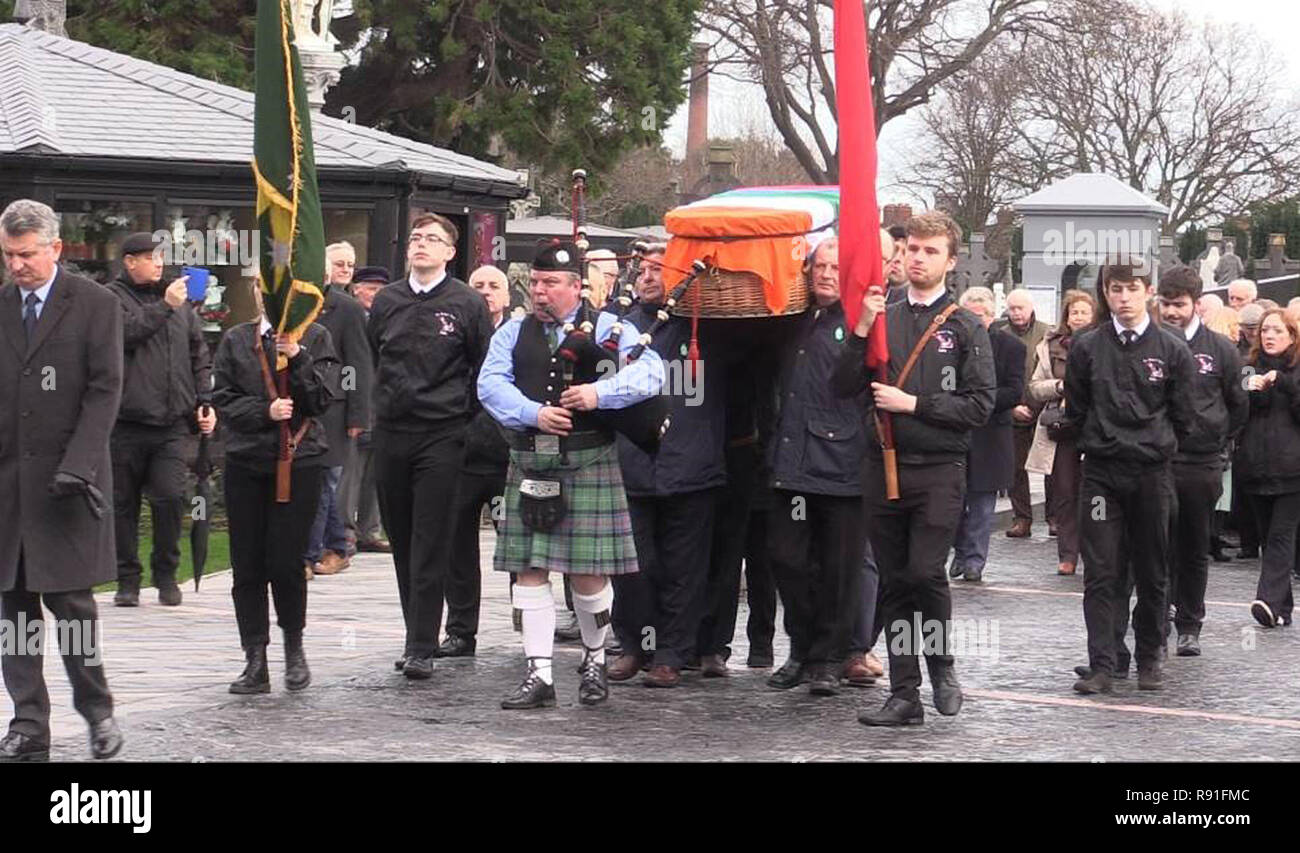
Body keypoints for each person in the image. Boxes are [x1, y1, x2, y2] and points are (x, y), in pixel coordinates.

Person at [478, 241, 665, 708]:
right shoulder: (511, 334)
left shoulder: (609, 327)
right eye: (536, 283)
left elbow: (653, 373)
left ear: (575, 287)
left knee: (587, 573)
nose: (540, 293)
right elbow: (489, 384)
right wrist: (532, 413)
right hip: (529, 460)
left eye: (551, 284)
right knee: (530, 570)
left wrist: (599, 394)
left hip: (587, 460)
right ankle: (539, 673)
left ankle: (595, 659)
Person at [833, 211, 996, 726]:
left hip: (939, 468)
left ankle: (942, 665)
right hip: (882, 465)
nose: (918, 258)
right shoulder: (882, 315)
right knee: (896, 583)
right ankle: (905, 692)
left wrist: (914, 404)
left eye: (931, 251)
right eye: (913, 250)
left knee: (926, 573)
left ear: (950, 261)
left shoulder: (967, 326)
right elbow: (841, 387)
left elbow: (979, 405)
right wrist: (859, 330)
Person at [0, 199, 125, 761]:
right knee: (13, 611)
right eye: (7, 255)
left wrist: (78, 464)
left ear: (55, 248)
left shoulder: (96, 305)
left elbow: (105, 391)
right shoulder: (1, 305)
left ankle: (97, 712)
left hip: (69, 482)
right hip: (8, 487)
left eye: (26, 254)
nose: (16, 266)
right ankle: (28, 723)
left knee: (72, 608)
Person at [368, 213, 495, 679]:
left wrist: (467, 425)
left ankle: (423, 644)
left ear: (449, 252)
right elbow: (374, 353)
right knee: (402, 539)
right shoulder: (387, 300)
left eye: (433, 240)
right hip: (393, 431)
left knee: (430, 540)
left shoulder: (466, 302)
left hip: (443, 433)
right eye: (416, 238)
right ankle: (412, 632)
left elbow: (483, 366)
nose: (421, 245)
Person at [1065, 257, 1194, 695]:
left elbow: (1184, 414)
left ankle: (1149, 658)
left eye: (1131, 288)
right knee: (1101, 570)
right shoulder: (1086, 346)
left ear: (1147, 291)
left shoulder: (1172, 347)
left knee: (1153, 567)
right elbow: (1076, 408)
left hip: (1151, 474)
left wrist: (1156, 443)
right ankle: (1103, 662)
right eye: (1115, 289)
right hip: (1102, 474)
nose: (1123, 297)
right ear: (1105, 293)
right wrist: (1097, 439)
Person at [212, 287, 340, 694]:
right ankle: (255, 657)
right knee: (247, 565)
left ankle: (294, 647)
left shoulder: (317, 336)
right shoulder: (235, 339)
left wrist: (298, 355)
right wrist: (262, 412)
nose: (270, 295)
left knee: (286, 562)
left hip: (298, 462)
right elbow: (223, 399)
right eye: (263, 288)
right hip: (247, 461)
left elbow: (322, 398)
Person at [610, 244, 726, 687]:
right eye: (642, 270)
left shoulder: (709, 326)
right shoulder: (619, 327)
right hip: (632, 464)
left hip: (692, 463)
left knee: (684, 566)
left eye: (659, 270)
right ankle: (635, 644)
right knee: (634, 563)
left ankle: (672, 652)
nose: (647, 277)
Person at [762, 237, 873, 695]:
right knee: (786, 559)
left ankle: (826, 658)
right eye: (819, 266)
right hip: (792, 464)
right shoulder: (792, 319)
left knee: (838, 569)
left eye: (834, 268)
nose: (826, 274)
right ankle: (802, 647)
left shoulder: (860, 322)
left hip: (842, 464)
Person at [107, 232, 215, 607]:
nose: (158, 263)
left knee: (170, 497)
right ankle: (127, 580)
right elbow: (127, 334)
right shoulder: (111, 298)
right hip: (125, 422)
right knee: (123, 504)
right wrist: (166, 307)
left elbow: (199, 354)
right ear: (129, 261)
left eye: (160, 258)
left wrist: (205, 399)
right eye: (150, 257)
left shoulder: (178, 304)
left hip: (171, 423)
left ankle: (166, 573)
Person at [1156, 266, 1247, 655]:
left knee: (1194, 545)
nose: (1172, 312)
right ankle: (1154, 618)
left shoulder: (1221, 349)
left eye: (1179, 305)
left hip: (1201, 462)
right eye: (1165, 304)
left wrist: (1216, 437)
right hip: (1157, 460)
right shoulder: (1151, 344)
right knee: (1155, 544)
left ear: (1196, 305)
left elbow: (1238, 404)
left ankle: (1189, 622)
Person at [440, 265, 513, 658]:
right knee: (457, 547)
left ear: (507, 295)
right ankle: (460, 631)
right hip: (461, 455)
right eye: (478, 285)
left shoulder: (519, 337)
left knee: (520, 547)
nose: (485, 292)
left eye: (494, 285)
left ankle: (529, 624)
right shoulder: (451, 336)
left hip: (508, 458)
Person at [303, 243, 372, 578]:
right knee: (318, 484)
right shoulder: (297, 305)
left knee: (325, 482)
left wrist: (358, 414)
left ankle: (316, 552)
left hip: (336, 409)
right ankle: (336, 545)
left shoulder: (347, 309)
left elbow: (358, 363)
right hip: (304, 407)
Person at [949, 286, 1025, 582]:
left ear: (992, 316)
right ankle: (961, 548)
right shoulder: (951, 343)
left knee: (982, 505)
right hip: (957, 431)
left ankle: (974, 561)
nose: (974, 321)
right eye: (968, 315)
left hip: (992, 435)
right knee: (953, 502)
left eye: (979, 316)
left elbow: (1014, 391)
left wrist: (979, 400)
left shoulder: (1010, 347)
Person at [1025, 289, 1097, 576]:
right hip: (1062, 428)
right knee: (1065, 493)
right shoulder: (1050, 346)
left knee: (1095, 496)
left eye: (1084, 311)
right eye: (1074, 312)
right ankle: (1068, 554)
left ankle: (1095, 553)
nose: (1078, 317)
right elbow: (1035, 386)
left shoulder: (1103, 343)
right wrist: (1060, 387)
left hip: (1095, 428)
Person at [1236, 309, 1300, 628]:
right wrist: (1250, 391)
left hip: (1293, 471)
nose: (1269, 336)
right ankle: (1283, 607)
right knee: (1266, 537)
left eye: (1277, 330)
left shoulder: (1297, 369)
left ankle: (1267, 601)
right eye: (1265, 331)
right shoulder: (1248, 367)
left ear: (1292, 335)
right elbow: (1236, 412)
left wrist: (1285, 384)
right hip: (1255, 468)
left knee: (1280, 536)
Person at [337, 265, 390, 554]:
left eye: (381, 290)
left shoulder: (388, 319)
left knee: (375, 472)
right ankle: (346, 529)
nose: (376, 295)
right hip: (356, 401)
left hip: (384, 403)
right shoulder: (347, 314)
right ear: (356, 289)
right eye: (371, 288)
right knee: (351, 470)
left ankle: (370, 529)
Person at [994, 288, 1051, 538]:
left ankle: (1054, 518)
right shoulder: (1000, 334)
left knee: (1051, 469)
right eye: (1012, 308)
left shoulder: (1046, 332)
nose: (1016, 313)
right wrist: (1012, 406)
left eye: (1021, 308)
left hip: (1044, 409)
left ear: (1030, 308)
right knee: (1016, 468)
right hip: (1014, 409)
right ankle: (1022, 518)